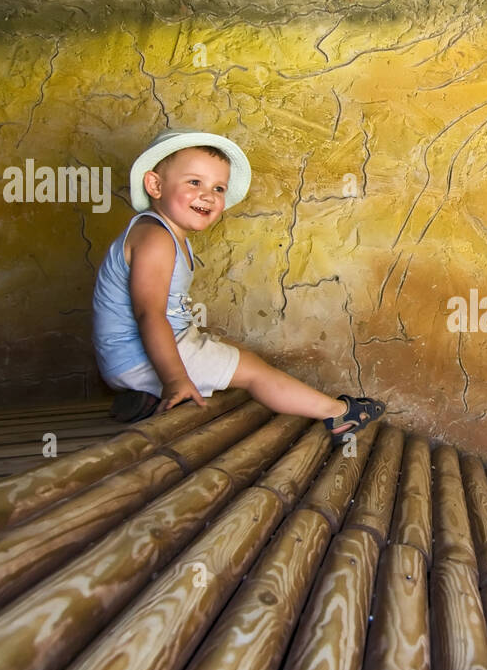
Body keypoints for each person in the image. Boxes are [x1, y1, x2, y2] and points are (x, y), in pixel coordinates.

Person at [91, 127, 384, 445]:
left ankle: (145, 397)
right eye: (194, 182)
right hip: (136, 358)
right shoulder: (157, 239)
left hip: (128, 358)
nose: (209, 195)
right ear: (155, 185)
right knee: (255, 373)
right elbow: (149, 314)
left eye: (218, 188)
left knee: (235, 353)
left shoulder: (160, 232)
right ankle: (338, 414)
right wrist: (176, 380)